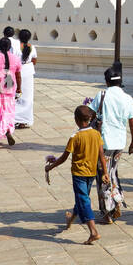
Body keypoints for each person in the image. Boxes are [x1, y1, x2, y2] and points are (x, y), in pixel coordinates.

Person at [44, 105, 108, 246]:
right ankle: (71, 218)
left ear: (76, 120)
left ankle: (93, 231)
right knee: (82, 197)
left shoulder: (75, 137)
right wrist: (105, 172)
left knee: (83, 199)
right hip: (91, 173)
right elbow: (101, 155)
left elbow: (63, 158)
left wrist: (51, 166)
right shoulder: (96, 134)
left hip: (78, 174)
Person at [91, 66, 133, 224]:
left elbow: (90, 112)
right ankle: (117, 200)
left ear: (106, 81)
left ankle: (107, 211)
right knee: (112, 173)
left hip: (104, 143)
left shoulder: (102, 94)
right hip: (120, 142)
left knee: (102, 175)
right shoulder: (128, 98)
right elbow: (132, 121)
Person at [15, 28, 38, 128]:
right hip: (28, 71)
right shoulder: (32, 47)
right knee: (27, 97)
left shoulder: (15, 47)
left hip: (16, 71)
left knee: (15, 95)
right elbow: (34, 61)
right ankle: (23, 120)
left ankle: (15, 117)